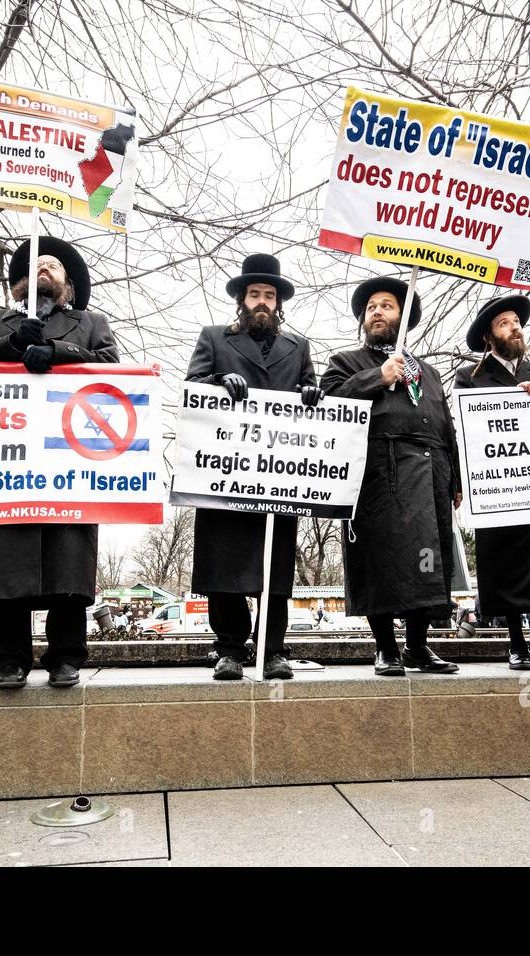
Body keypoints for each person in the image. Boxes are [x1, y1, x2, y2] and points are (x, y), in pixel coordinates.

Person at [0, 236, 117, 689]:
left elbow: (112, 366)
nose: (45, 269)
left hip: (69, 460)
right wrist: (9, 344)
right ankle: (8, 659)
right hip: (4, 462)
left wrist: (60, 354)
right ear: (20, 283)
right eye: (36, 265)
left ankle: (66, 656)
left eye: (54, 266)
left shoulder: (90, 324)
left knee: (67, 559)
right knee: (6, 560)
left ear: (68, 283)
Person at [184, 254, 318, 680]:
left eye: (270, 296)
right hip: (226, 473)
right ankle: (228, 647)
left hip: (280, 474)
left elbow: (311, 389)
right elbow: (191, 387)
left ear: (278, 304)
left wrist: (313, 393)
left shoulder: (299, 348)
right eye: (255, 294)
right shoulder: (214, 337)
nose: (262, 302)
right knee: (224, 562)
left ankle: (272, 649)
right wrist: (218, 383)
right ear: (242, 299)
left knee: (276, 565)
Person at [321, 276, 460, 676]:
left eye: (387, 305)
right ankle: (385, 647)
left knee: (430, 559)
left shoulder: (428, 372)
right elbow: (327, 401)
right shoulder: (346, 363)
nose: (378, 311)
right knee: (378, 555)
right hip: (378, 470)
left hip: (432, 469)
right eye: (371, 308)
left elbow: (444, 423)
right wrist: (376, 378)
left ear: (403, 317)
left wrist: (455, 478)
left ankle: (418, 645)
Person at [456, 294, 530, 670]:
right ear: (490, 337)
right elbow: (469, 428)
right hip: (501, 488)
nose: (514, 327)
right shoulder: (470, 377)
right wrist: (512, 396)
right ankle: (516, 643)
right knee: (508, 565)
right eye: (504, 323)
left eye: (516, 322)